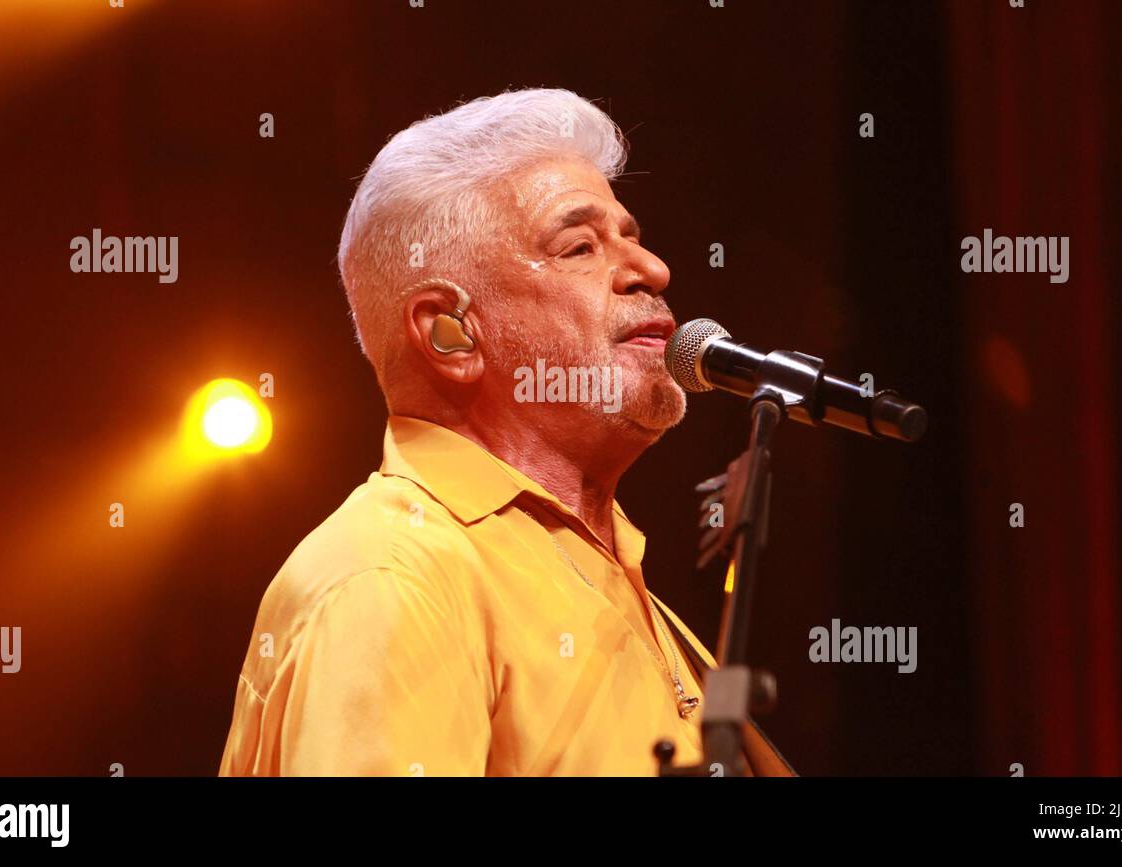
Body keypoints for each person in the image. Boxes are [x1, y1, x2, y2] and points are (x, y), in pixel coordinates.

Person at [219, 88, 791, 776]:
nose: (652, 270)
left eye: (631, 236)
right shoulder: (390, 576)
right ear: (449, 334)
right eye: (580, 246)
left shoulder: (605, 572)